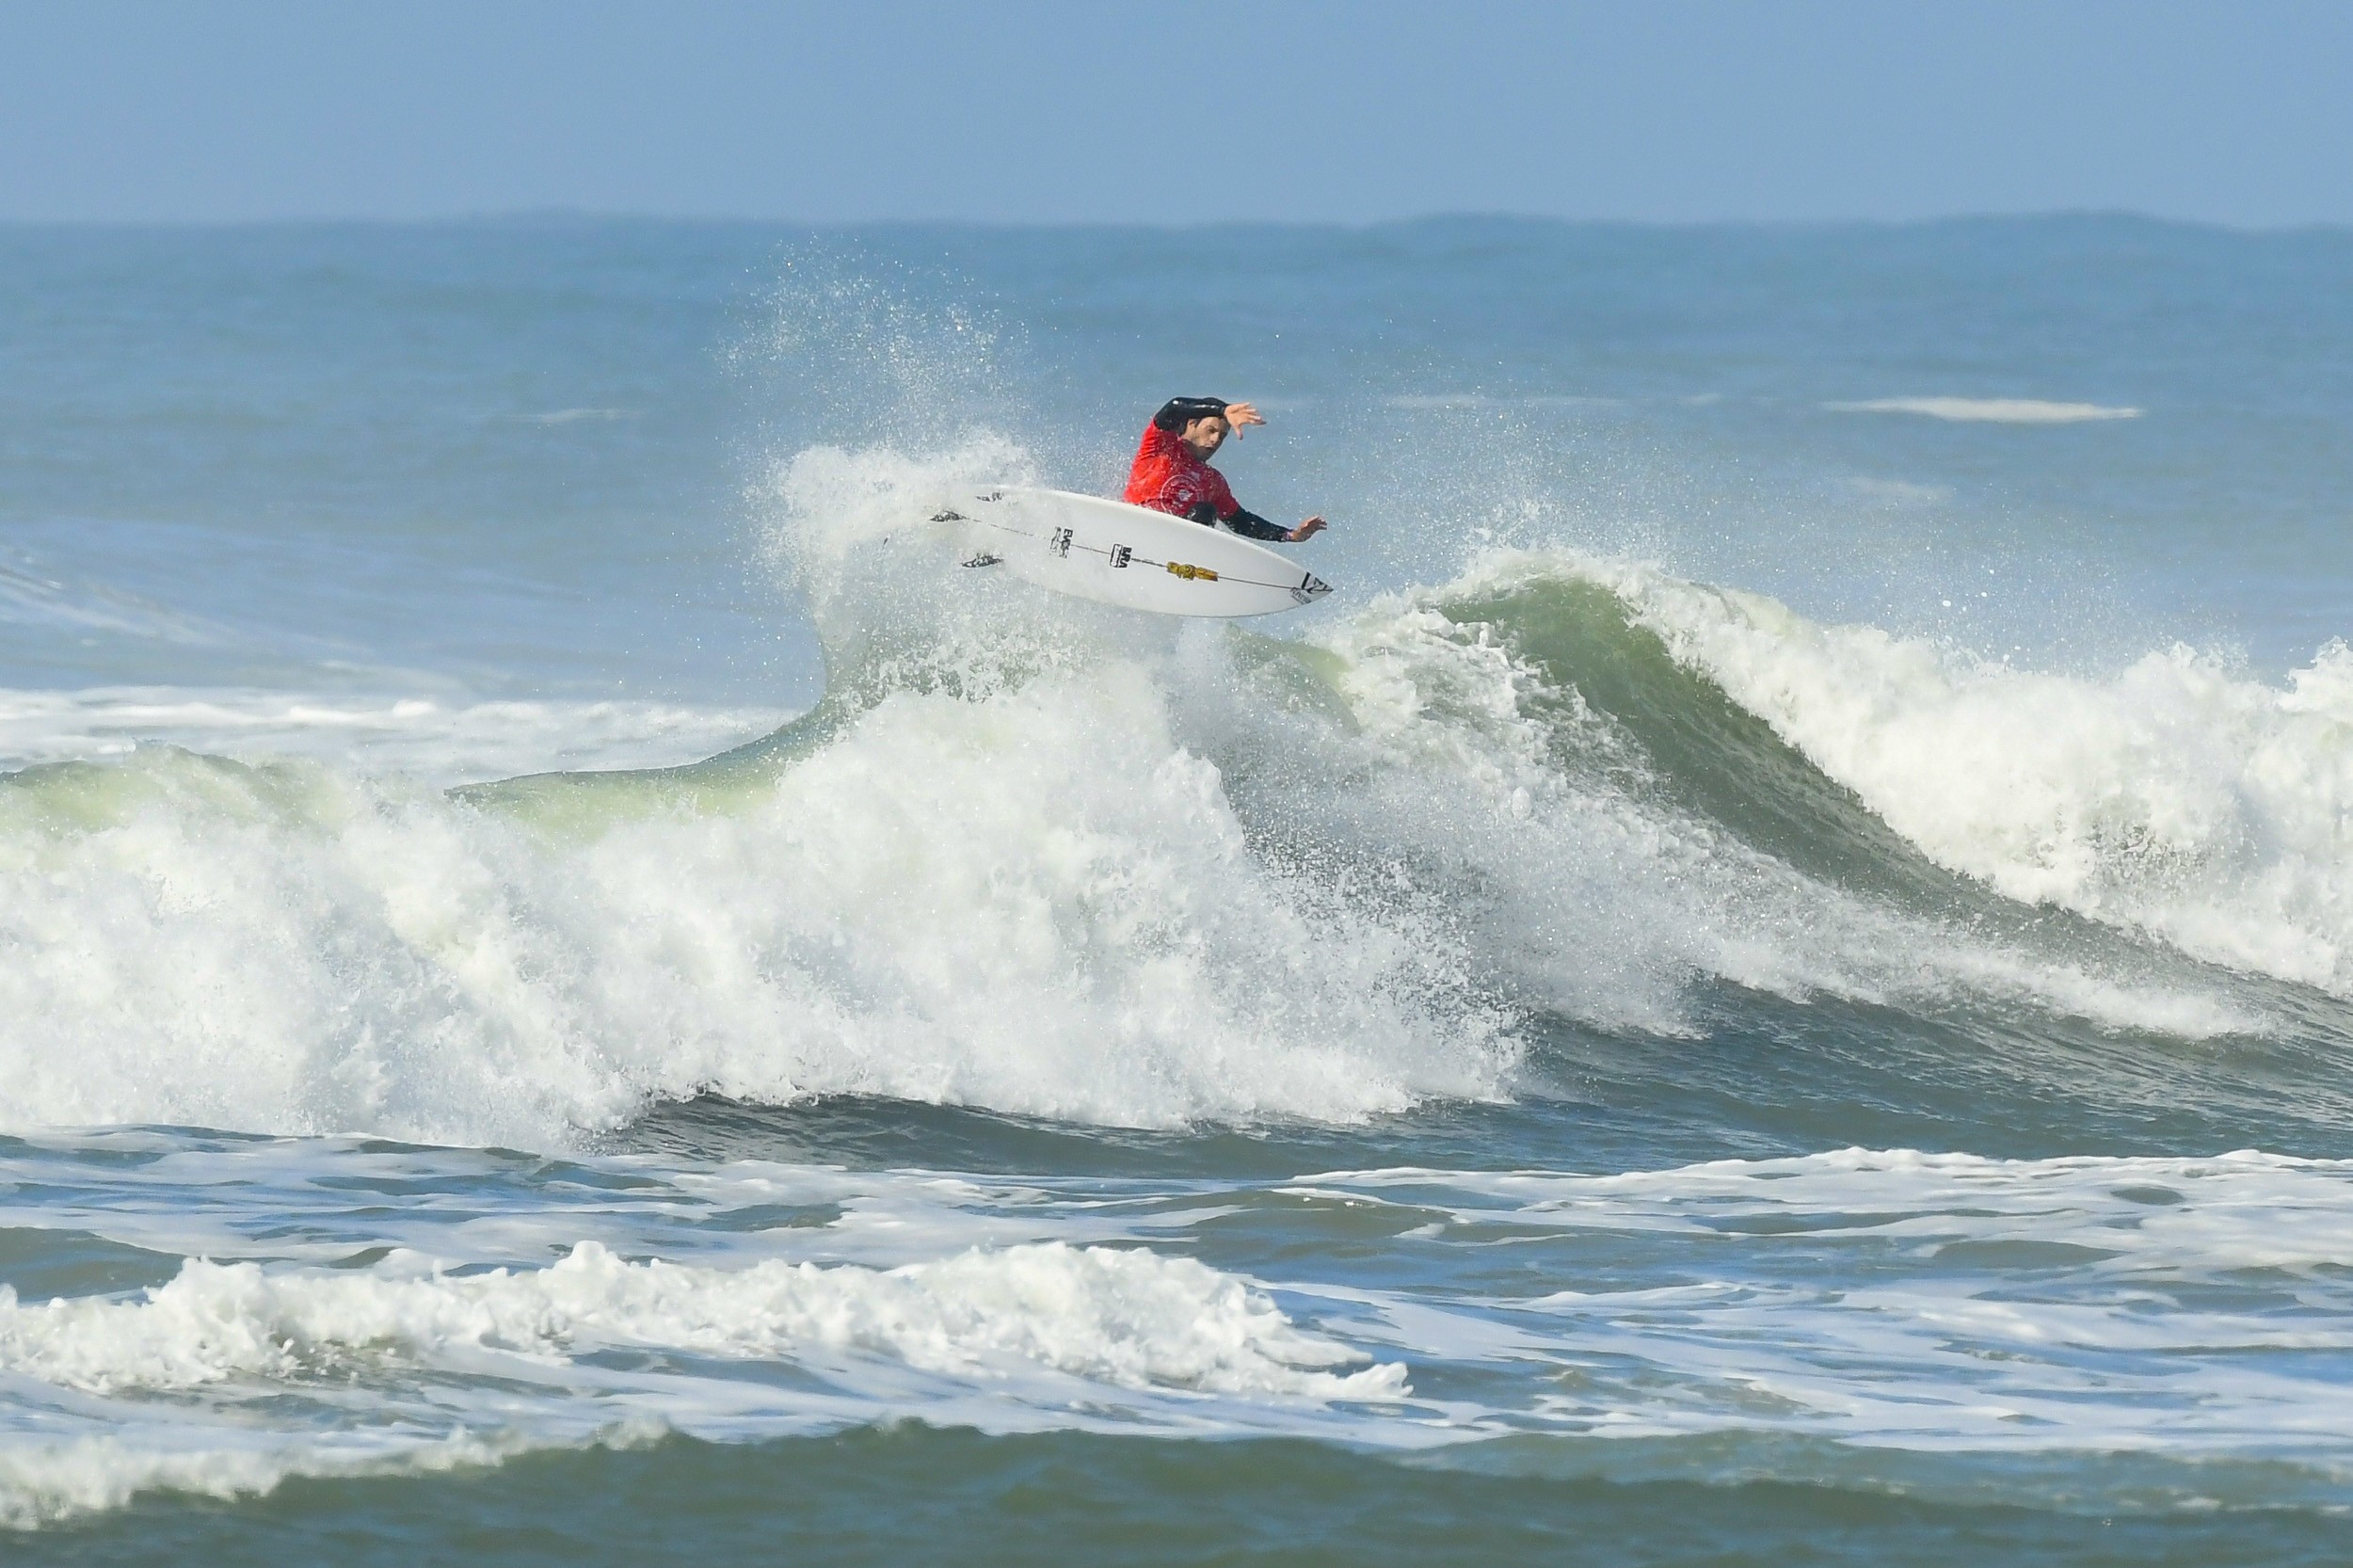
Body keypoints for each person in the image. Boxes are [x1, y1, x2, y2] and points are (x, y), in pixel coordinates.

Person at [1123, 397, 1328, 543]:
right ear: (1191, 424)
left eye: (1222, 436)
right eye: (1211, 430)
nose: (1215, 440)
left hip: (1172, 546)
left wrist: (1290, 535)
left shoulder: (1212, 481)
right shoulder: (1161, 445)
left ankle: (1182, 565)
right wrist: (1224, 410)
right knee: (1204, 510)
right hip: (1135, 527)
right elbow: (1174, 407)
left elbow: (1240, 521)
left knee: (1205, 512)